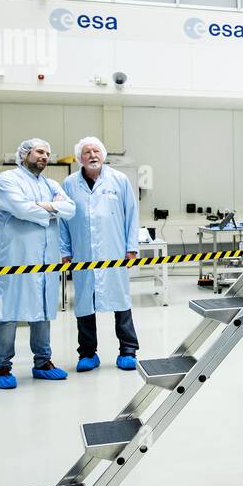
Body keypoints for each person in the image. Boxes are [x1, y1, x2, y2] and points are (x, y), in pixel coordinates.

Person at [0, 139, 76, 389]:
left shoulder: (51, 183)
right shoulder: (7, 180)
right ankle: (2, 366)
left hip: (45, 259)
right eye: (39, 151)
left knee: (42, 307)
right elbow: (21, 209)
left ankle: (43, 362)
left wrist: (41, 207)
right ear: (25, 153)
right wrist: (52, 209)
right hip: (14, 259)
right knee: (8, 311)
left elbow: (70, 208)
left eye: (48, 153)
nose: (44, 156)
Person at [59, 137, 141, 372]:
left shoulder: (119, 180)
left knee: (120, 299)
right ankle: (87, 353)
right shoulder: (69, 184)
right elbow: (63, 222)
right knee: (84, 302)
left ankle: (128, 350)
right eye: (87, 152)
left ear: (103, 155)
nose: (92, 155)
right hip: (82, 253)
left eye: (96, 151)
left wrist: (131, 247)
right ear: (79, 158)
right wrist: (65, 250)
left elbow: (131, 215)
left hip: (114, 250)